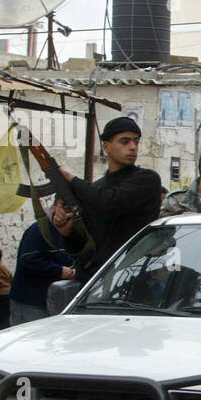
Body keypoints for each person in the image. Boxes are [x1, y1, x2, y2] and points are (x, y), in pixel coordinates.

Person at [59, 117, 162, 279]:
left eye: (136, 141)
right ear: (106, 146)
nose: (133, 147)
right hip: (94, 281)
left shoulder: (147, 180)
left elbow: (110, 204)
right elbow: (83, 247)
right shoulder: (96, 189)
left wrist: (69, 178)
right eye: (125, 141)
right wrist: (67, 233)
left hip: (131, 278)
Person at [10, 198, 81, 324]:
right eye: (63, 208)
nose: (65, 215)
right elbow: (28, 261)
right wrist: (60, 271)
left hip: (56, 303)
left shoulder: (71, 234)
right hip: (30, 303)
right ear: (53, 208)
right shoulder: (37, 231)